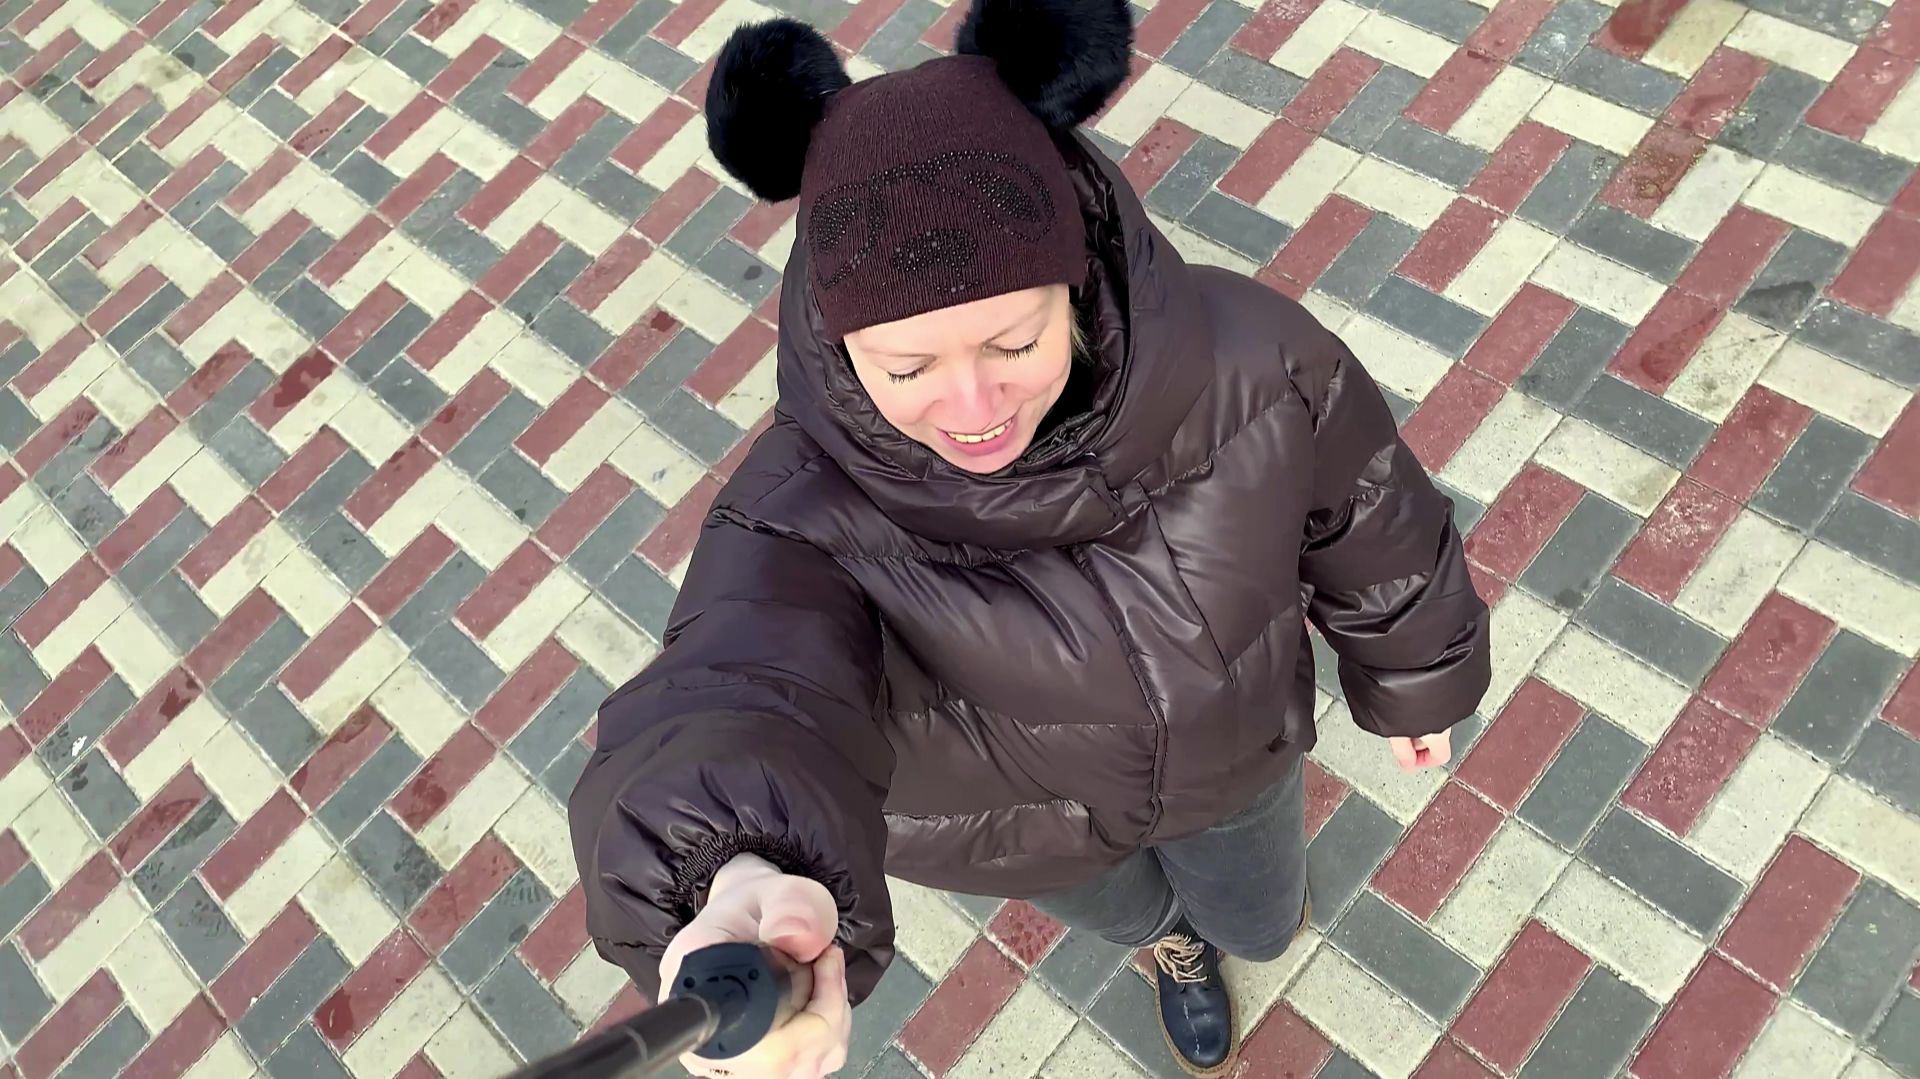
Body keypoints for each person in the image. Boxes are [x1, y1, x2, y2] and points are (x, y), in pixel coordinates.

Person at [568, 0, 1492, 1074]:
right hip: (1020, 833)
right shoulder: (795, 512)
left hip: (1235, 768)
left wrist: (1416, 674)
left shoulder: (1257, 358)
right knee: (1136, 915)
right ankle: (1168, 947)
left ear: (1075, 284)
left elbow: (1369, 512)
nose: (971, 407)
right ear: (840, 340)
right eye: (906, 367)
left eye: (1013, 342)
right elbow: (741, 681)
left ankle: (1229, 933)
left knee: (1262, 918)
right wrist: (732, 866)